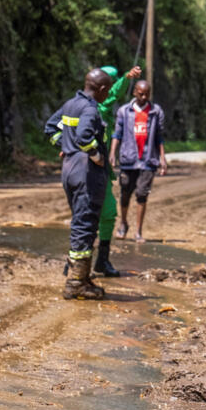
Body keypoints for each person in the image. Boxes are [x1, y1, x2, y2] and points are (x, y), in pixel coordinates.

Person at [44, 68, 113, 300]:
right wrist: (97, 156)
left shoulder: (70, 104)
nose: (108, 95)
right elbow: (84, 136)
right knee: (85, 225)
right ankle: (75, 283)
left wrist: (64, 147)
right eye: (108, 91)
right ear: (101, 90)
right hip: (86, 173)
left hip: (70, 170)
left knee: (81, 222)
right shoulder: (90, 109)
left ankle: (82, 278)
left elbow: (50, 128)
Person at [89, 65, 141, 277]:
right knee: (87, 216)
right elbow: (114, 94)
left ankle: (102, 260)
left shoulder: (103, 107)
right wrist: (127, 79)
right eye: (111, 84)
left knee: (108, 213)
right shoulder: (96, 108)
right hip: (89, 171)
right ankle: (76, 262)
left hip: (103, 172)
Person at [110, 79, 168, 243]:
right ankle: (123, 224)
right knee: (125, 194)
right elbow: (117, 134)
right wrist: (112, 153)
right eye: (140, 94)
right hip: (128, 159)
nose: (143, 97)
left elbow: (159, 137)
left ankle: (139, 232)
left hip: (148, 160)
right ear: (134, 92)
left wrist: (162, 158)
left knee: (142, 195)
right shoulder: (124, 111)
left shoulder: (156, 112)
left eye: (146, 94)